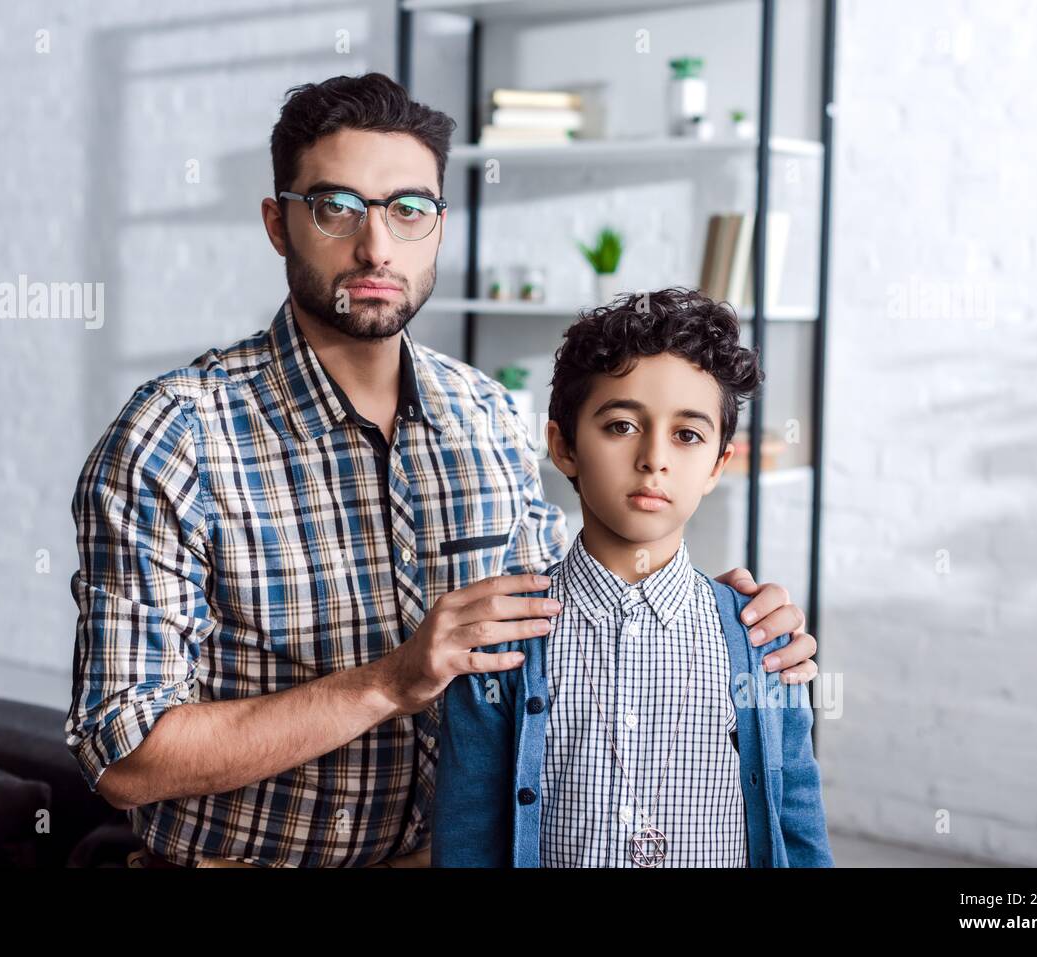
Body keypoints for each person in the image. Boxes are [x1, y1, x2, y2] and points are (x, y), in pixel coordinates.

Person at [64, 74, 818, 868]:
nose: (376, 246)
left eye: (407, 209)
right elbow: (123, 756)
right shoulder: (175, 436)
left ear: (439, 227)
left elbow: (555, 624)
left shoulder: (489, 416)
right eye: (336, 206)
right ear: (278, 224)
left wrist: (729, 626)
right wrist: (390, 680)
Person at [433, 288, 833, 867]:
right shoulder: (502, 643)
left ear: (719, 463)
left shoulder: (761, 642)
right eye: (621, 426)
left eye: (687, 435)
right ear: (564, 446)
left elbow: (796, 815)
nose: (654, 458)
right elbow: (468, 834)